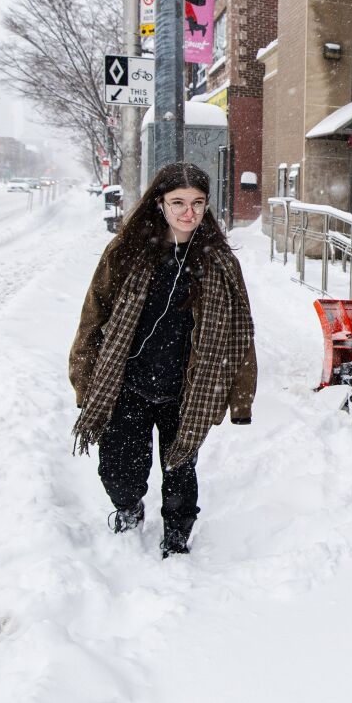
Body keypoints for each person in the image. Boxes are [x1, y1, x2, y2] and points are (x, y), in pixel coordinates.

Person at [69, 162, 256, 557]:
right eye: (178, 202)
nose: (189, 212)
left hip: (186, 392)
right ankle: (128, 505)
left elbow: (241, 334)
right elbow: (93, 317)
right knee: (119, 470)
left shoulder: (219, 264)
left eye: (198, 203)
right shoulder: (127, 254)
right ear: (159, 203)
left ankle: (176, 536)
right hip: (128, 385)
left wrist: (240, 399)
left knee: (180, 474)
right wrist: (84, 379)